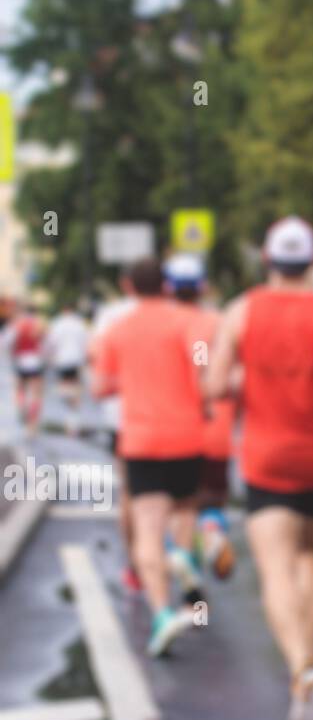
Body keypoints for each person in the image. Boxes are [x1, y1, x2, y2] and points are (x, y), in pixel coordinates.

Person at [207, 217, 313, 720]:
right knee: (308, 555)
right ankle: (309, 653)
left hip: (265, 455)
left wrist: (239, 379)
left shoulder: (241, 310)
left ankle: (303, 668)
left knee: (275, 568)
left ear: (266, 260)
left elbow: (212, 383)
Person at [91, 257, 207, 658]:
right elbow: (203, 368)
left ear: (128, 286)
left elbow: (99, 387)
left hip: (140, 440)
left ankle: (161, 613)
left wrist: (132, 377)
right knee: (186, 509)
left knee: (146, 526)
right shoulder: (186, 323)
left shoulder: (116, 330)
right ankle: (183, 554)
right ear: (168, 286)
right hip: (187, 435)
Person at [163, 253, 237, 583]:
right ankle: (211, 530)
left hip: (174, 431)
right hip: (217, 427)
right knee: (213, 498)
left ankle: (186, 564)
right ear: (203, 287)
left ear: (168, 288)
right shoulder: (220, 323)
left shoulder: (162, 324)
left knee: (180, 505)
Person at [90, 272, 140, 591]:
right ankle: (182, 559)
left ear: (125, 284)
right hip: (174, 420)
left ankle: (135, 565)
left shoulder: (110, 316)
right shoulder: (176, 313)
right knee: (179, 502)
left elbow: (96, 359)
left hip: (123, 420)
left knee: (130, 493)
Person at [44, 301, 90, 435]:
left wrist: (49, 357)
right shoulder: (79, 324)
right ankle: (73, 414)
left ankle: (71, 413)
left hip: (62, 359)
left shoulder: (57, 323)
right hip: (77, 359)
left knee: (66, 387)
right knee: (74, 386)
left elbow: (51, 342)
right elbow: (86, 341)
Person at [6, 301, 46, 431]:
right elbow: (47, 344)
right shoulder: (40, 325)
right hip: (36, 360)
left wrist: (11, 354)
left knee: (20, 388)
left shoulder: (17, 324)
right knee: (36, 392)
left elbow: (7, 341)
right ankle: (32, 420)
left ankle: (22, 406)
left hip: (20, 360)